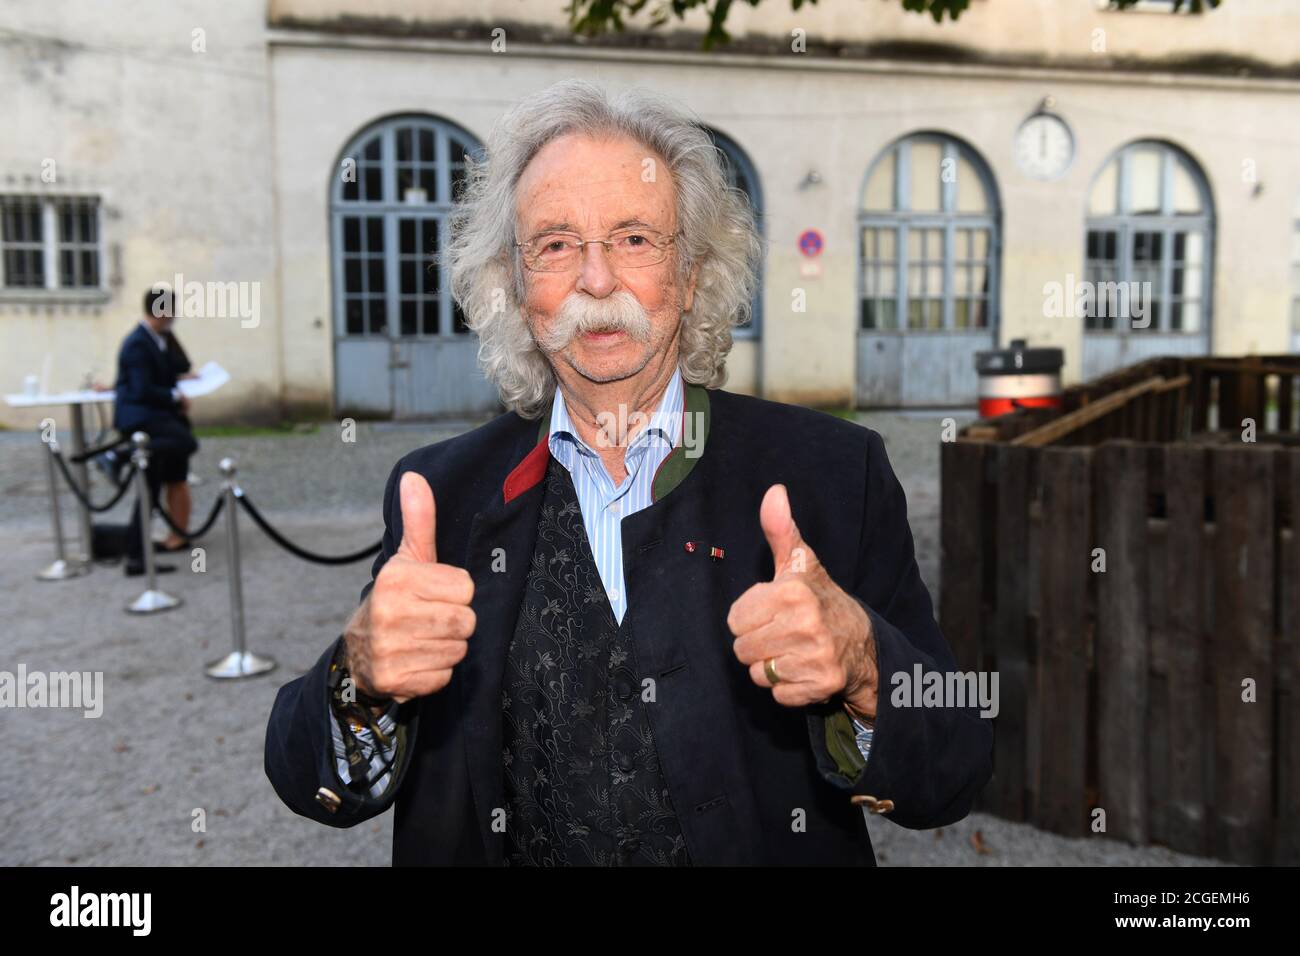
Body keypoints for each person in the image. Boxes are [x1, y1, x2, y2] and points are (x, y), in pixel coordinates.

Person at [264, 80, 992, 866]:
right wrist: (359, 678)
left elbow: (952, 771)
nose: (598, 280)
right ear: (513, 287)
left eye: (636, 238)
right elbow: (309, 782)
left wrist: (865, 665)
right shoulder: (440, 497)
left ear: (690, 275)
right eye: (556, 244)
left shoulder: (831, 473)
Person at [112, 286, 199, 576]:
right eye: (171, 310)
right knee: (184, 442)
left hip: (156, 420)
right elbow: (141, 388)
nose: (175, 316)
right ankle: (121, 456)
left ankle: (137, 555)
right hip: (143, 420)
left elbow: (177, 365)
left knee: (150, 489)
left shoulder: (157, 339)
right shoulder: (138, 343)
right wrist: (174, 395)